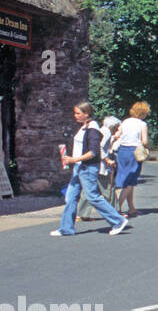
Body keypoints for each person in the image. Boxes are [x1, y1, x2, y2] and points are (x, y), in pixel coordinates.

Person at [52, 102, 128, 237]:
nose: (75, 116)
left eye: (78, 113)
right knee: (70, 197)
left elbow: (93, 152)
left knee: (92, 196)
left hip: (87, 167)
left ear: (86, 114)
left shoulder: (92, 128)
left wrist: (74, 159)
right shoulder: (84, 127)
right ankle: (66, 228)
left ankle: (118, 220)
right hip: (79, 167)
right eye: (75, 113)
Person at [77, 115, 120, 222]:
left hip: (94, 165)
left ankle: (82, 214)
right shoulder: (106, 132)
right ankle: (115, 212)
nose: (118, 129)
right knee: (109, 188)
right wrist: (107, 160)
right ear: (113, 126)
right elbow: (99, 147)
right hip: (100, 166)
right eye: (117, 126)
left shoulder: (103, 131)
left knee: (89, 189)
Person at [114, 101, 151, 217]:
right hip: (134, 152)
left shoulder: (125, 121)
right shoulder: (142, 124)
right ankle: (116, 208)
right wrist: (148, 147)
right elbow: (144, 141)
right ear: (143, 113)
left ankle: (131, 207)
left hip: (122, 151)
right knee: (130, 181)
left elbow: (118, 135)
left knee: (126, 178)